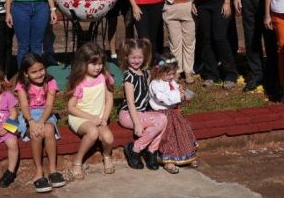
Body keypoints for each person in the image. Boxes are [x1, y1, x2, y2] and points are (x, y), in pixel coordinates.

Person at [14, 53, 66, 193]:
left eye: (41, 70)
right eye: (34, 72)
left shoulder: (51, 82)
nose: (39, 74)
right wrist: (31, 121)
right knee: (36, 133)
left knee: (48, 130)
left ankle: (53, 169)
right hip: (28, 115)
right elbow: (24, 106)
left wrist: (42, 121)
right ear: (26, 73)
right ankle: (38, 170)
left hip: (45, 113)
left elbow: (49, 106)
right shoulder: (21, 85)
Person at [67, 42, 115, 180]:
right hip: (80, 117)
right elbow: (71, 108)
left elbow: (109, 100)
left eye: (100, 63)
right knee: (93, 132)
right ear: (83, 63)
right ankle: (77, 161)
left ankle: (106, 155)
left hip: (99, 117)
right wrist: (91, 118)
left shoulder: (105, 77)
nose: (98, 67)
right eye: (93, 64)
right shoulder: (79, 82)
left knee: (108, 138)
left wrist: (105, 117)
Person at [118, 38, 166, 171]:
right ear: (127, 57)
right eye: (133, 57)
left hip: (142, 113)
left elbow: (159, 75)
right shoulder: (129, 76)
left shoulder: (145, 73)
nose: (136, 60)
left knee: (163, 119)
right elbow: (130, 102)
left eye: (139, 57)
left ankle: (151, 151)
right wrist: (137, 124)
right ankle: (134, 149)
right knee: (160, 122)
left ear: (144, 57)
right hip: (128, 114)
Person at [148, 53, 198, 173]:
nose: (171, 76)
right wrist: (178, 95)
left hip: (173, 112)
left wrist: (180, 90)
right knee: (168, 136)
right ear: (158, 71)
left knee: (182, 132)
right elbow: (162, 98)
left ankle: (187, 155)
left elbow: (175, 89)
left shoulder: (170, 82)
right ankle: (168, 160)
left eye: (173, 73)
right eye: (169, 74)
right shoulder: (155, 84)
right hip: (162, 113)